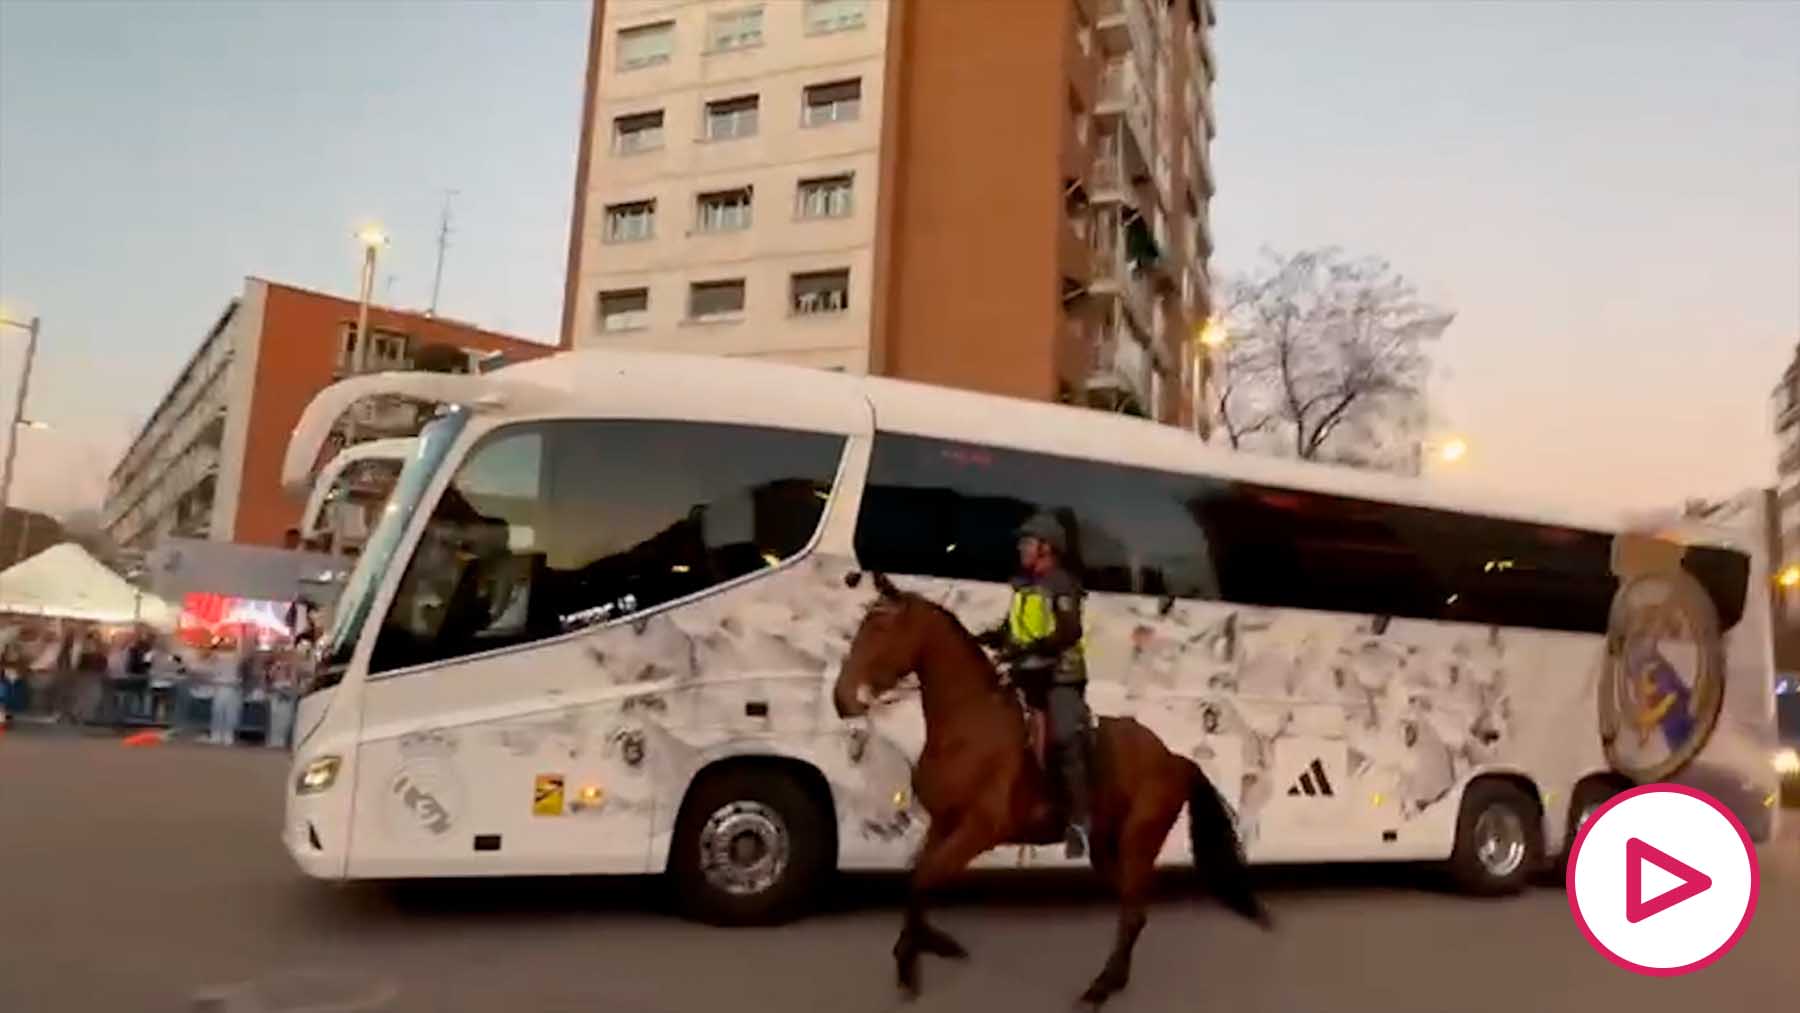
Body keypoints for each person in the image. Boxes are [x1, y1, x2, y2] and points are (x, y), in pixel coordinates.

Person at [975, 511, 1093, 859]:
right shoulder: (1023, 586)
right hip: (1029, 671)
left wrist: (1030, 647)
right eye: (1021, 543)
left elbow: (1070, 631)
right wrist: (987, 638)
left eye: (1027, 543)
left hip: (1061, 675)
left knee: (1063, 740)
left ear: (1046, 548)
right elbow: (1013, 629)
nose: (1021, 548)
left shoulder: (1062, 584)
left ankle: (1080, 822)